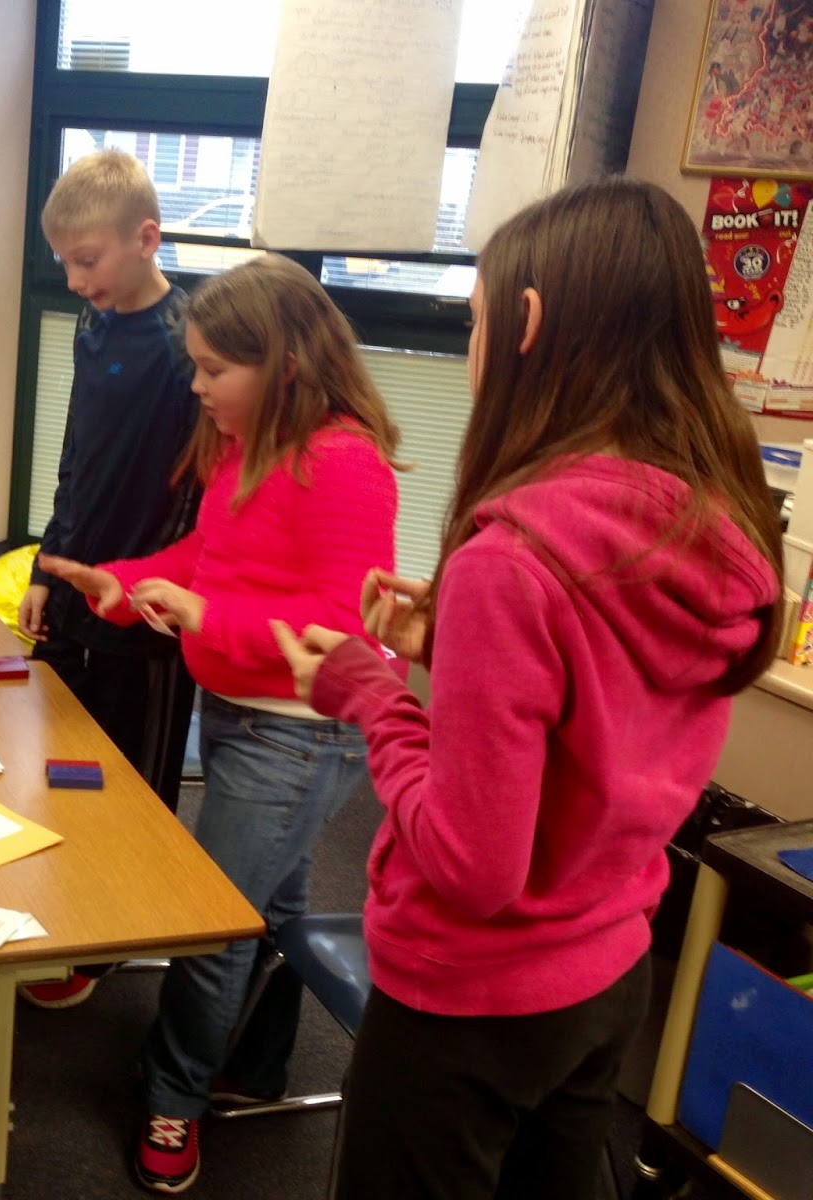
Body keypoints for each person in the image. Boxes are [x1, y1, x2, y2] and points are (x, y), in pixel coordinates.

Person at [274, 177, 784, 1200]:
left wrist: (374, 693)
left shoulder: (514, 555)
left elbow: (472, 866)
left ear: (528, 322)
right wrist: (449, 640)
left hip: (469, 1006)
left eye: (471, 324)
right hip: (604, 973)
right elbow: (600, 715)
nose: (466, 353)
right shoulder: (714, 520)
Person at [41, 254, 402, 1193]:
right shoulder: (248, 442)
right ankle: (255, 1062)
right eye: (194, 366)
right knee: (272, 901)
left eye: (212, 370)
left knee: (216, 921)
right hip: (237, 707)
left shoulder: (345, 463)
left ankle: (175, 1096)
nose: (195, 386)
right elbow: (212, 552)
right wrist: (124, 586)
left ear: (282, 364)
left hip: (298, 725)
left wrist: (209, 620)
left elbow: (342, 627)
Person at [16, 149, 201, 1007]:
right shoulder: (95, 328)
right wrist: (48, 563)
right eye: (64, 263)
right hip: (80, 584)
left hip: (147, 609)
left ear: (146, 240)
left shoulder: (186, 347)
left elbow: (191, 495)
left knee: (137, 775)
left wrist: (133, 590)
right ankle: (73, 901)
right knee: (70, 755)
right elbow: (77, 454)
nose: (75, 279)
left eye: (87, 260)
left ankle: (116, 936)